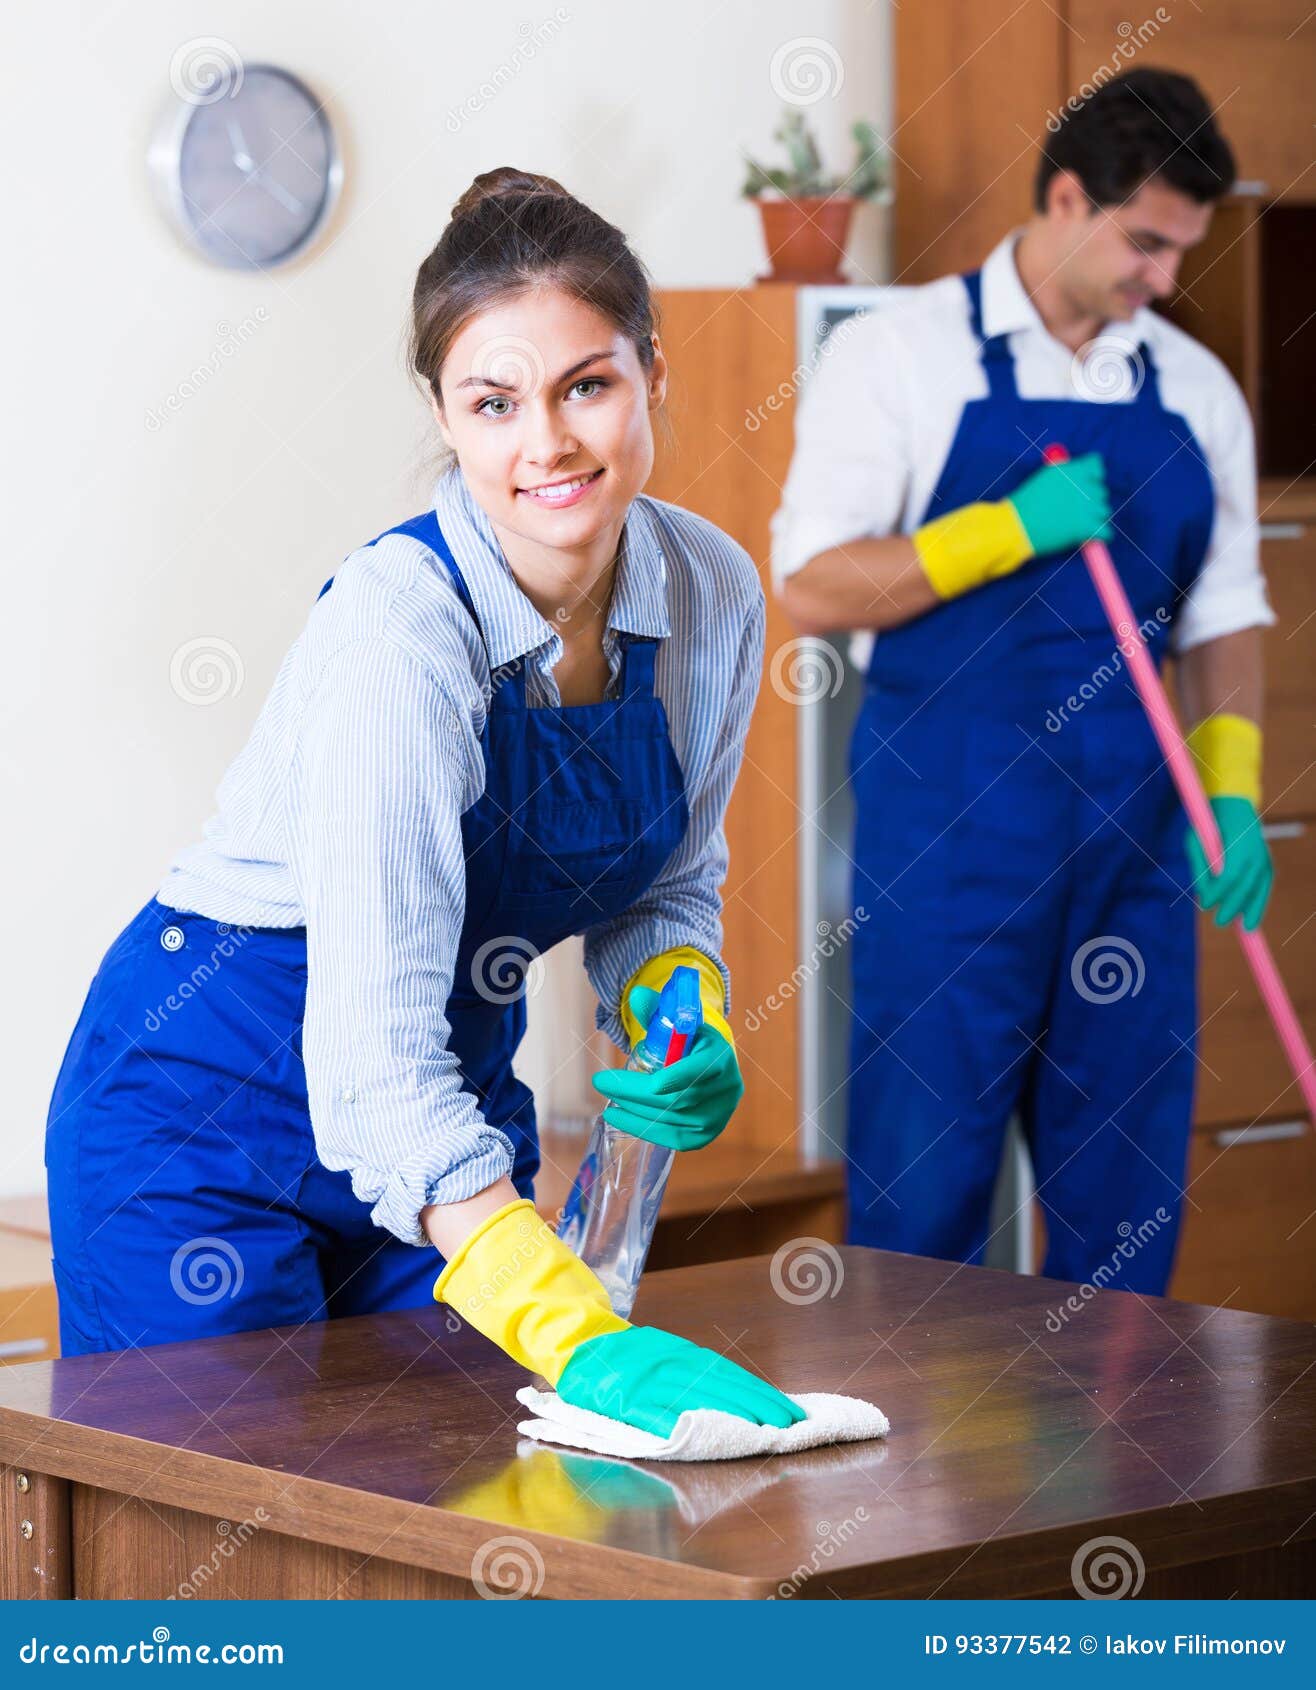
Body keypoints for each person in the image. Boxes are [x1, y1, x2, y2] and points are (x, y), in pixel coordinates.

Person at [46, 168, 802, 1437]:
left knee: (468, 1501)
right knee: (238, 1542)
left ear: (652, 374)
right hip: (202, 1121)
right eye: (494, 403)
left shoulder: (708, 593)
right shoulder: (403, 640)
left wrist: (678, 1002)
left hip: (441, 1093)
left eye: (587, 386)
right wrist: (578, 1338)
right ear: (446, 417)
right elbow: (370, 1064)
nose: (546, 444)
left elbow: (664, 879)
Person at [772, 70, 1274, 1295]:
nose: (1162, 279)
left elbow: (1223, 615)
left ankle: (1113, 1475)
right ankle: (892, 1483)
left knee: (1121, 1203)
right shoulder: (899, 353)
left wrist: (1237, 790)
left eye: (1179, 251)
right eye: (1145, 242)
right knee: (920, 1190)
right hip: (950, 842)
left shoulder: (1192, 389)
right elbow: (812, 584)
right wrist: (1004, 530)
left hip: (1132, 850)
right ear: (1064, 197)